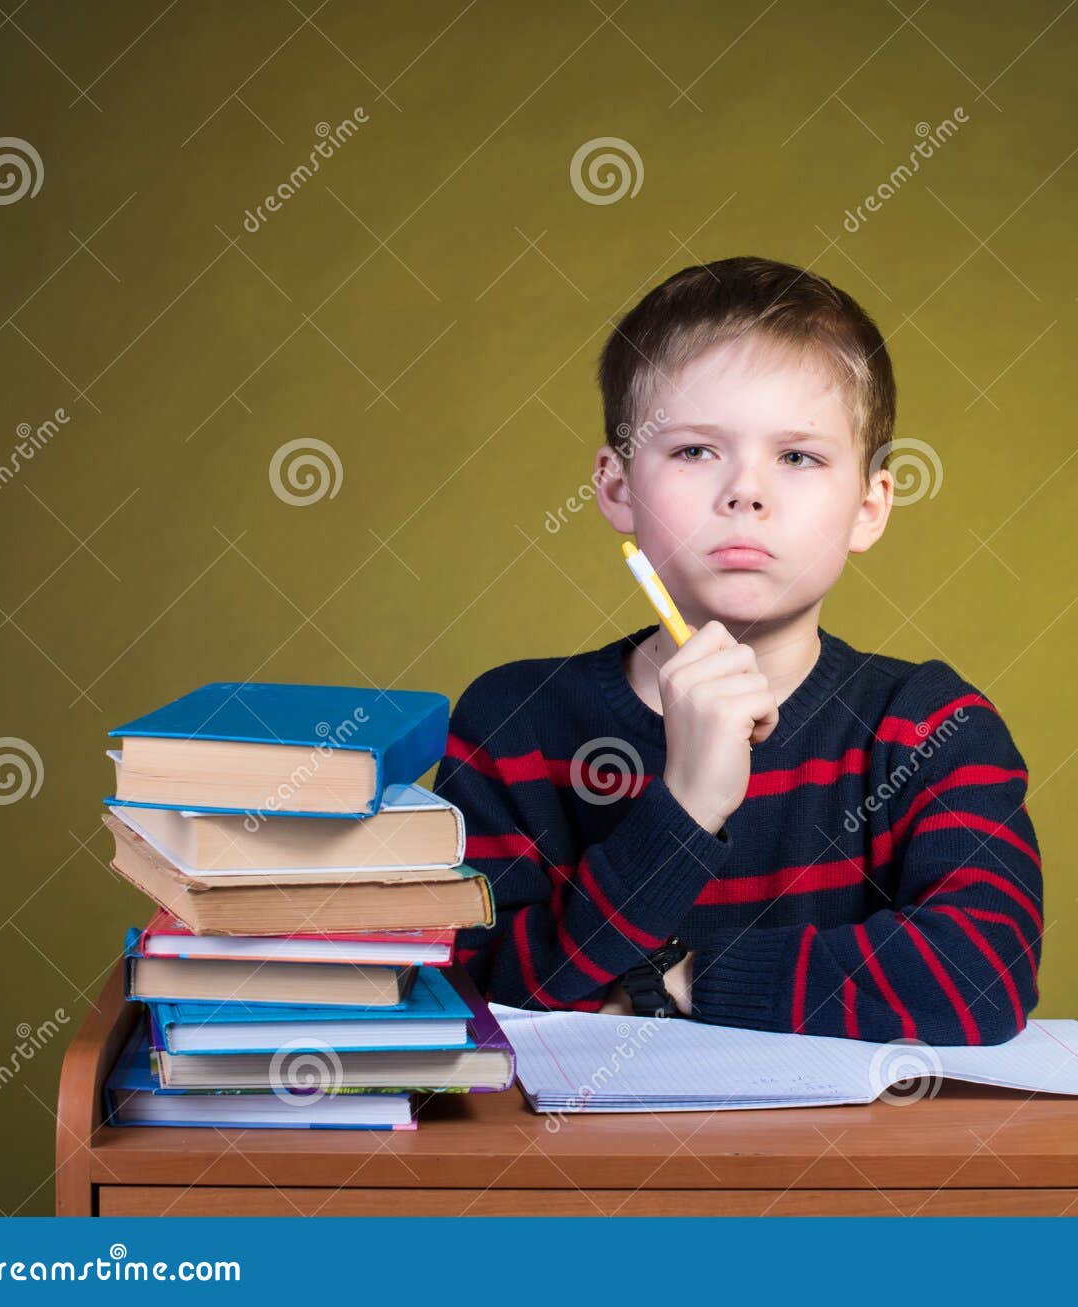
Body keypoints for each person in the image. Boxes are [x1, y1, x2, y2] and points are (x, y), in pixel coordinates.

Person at [433, 255, 1042, 1044]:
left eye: (799, 456)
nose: (745, 492)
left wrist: (677, 980)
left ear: (869, 506)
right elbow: (470, 987)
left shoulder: (930, 726)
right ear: (617, 487)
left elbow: (981, 979)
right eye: (694, 450)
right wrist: (684, 805)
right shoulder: (513, 722)